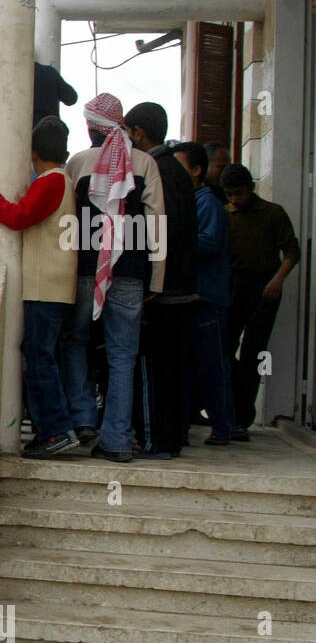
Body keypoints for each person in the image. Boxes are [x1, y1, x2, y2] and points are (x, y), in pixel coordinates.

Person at [61, 93, 166, 462]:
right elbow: (157, 225)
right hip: (133, 275)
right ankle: (118, 439)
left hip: (84, 270)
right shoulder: (145, 163)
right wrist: (157, 278)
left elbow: (65, 220)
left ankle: (83, 418)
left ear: (90, 126)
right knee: (123, 355)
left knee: (76, 344)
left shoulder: (78, 164)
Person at [0, 115, 80, 457]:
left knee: (39, 359)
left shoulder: (51, 182)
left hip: (46, 286)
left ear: (33, 151)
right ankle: (56, 428)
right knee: (43, 357)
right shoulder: (59, 181)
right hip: (53, 284)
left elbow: (18, 216)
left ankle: (55, 430)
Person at [125, 102, 199, 460]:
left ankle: (157, 441)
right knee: (173, 367)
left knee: (152, 368)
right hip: (181, 286)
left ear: (138, 133)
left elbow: (159, 230)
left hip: (164, 289)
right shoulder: (178, 170)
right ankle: (173, 436)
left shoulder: (155, 169)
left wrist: (154, 280)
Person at [222, 163, 300, 439]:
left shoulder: (272, 213)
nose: (235, 200)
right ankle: (227, 412)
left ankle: (242, 417)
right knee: (224, 348)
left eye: (239, 193)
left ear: (251, 189)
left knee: (253, 352)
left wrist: (277, 280)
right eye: (230, 194)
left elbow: (292, 251)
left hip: (264, 287)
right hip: (232, 286)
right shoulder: (225, 214)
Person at [173, 141, 233, 445]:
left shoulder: (207, 203)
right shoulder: (192, 201)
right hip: (193, 297)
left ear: (196, 171)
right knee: (188, 367)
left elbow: (208, 244)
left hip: (207, 297)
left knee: (212, 366)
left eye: (180, 168)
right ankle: (182, 427)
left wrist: (178, 240)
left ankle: (223, 427)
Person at [33, 61, 78, 127]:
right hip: (49, 128)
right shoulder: (48, 72)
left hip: (20, 130)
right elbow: (71, 98)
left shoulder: (14, 77)